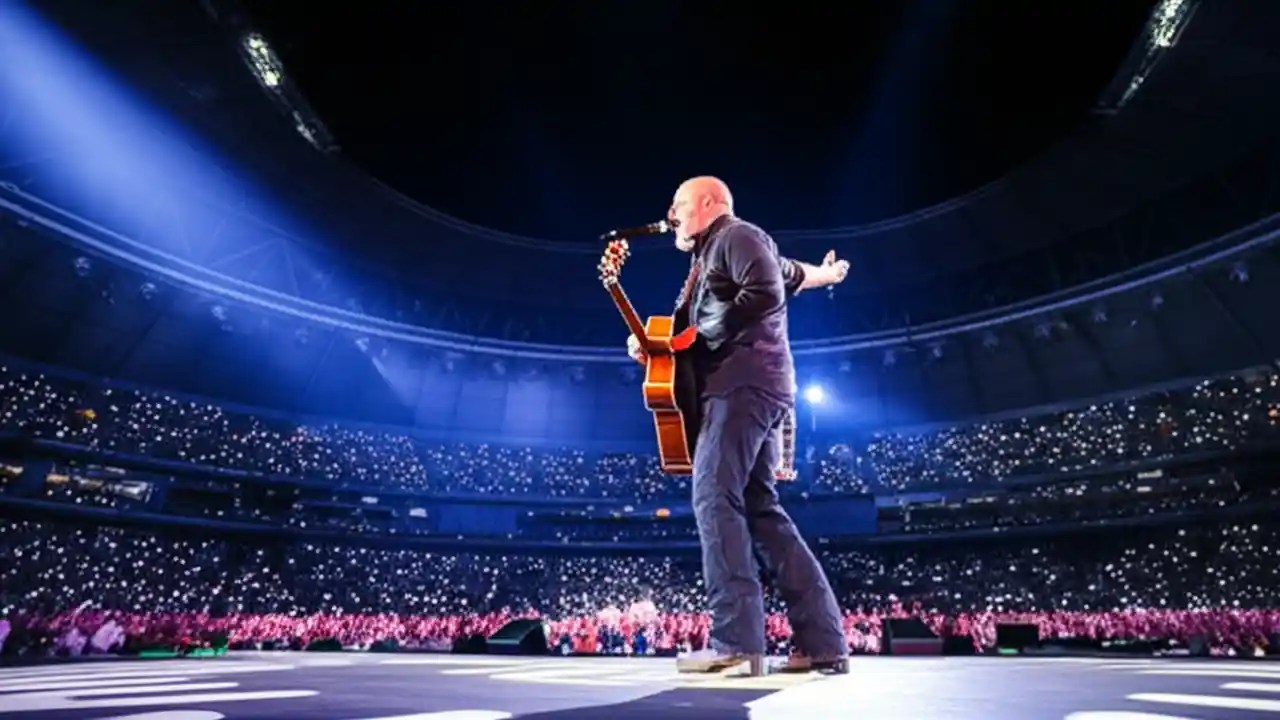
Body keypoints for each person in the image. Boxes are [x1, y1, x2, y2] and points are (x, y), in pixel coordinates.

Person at [627, 176, 850, 675]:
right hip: (759, 388)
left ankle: (735, 643)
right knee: (760, 510)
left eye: (679, 204)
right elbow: (792, 275)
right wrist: (829, 275)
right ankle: (822, 643)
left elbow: (766, 291)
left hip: (742, 388)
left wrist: (692, 338)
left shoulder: (735, 236)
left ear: (708, 203)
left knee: (713, 497)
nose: (671, 214)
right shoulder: (722, 252)